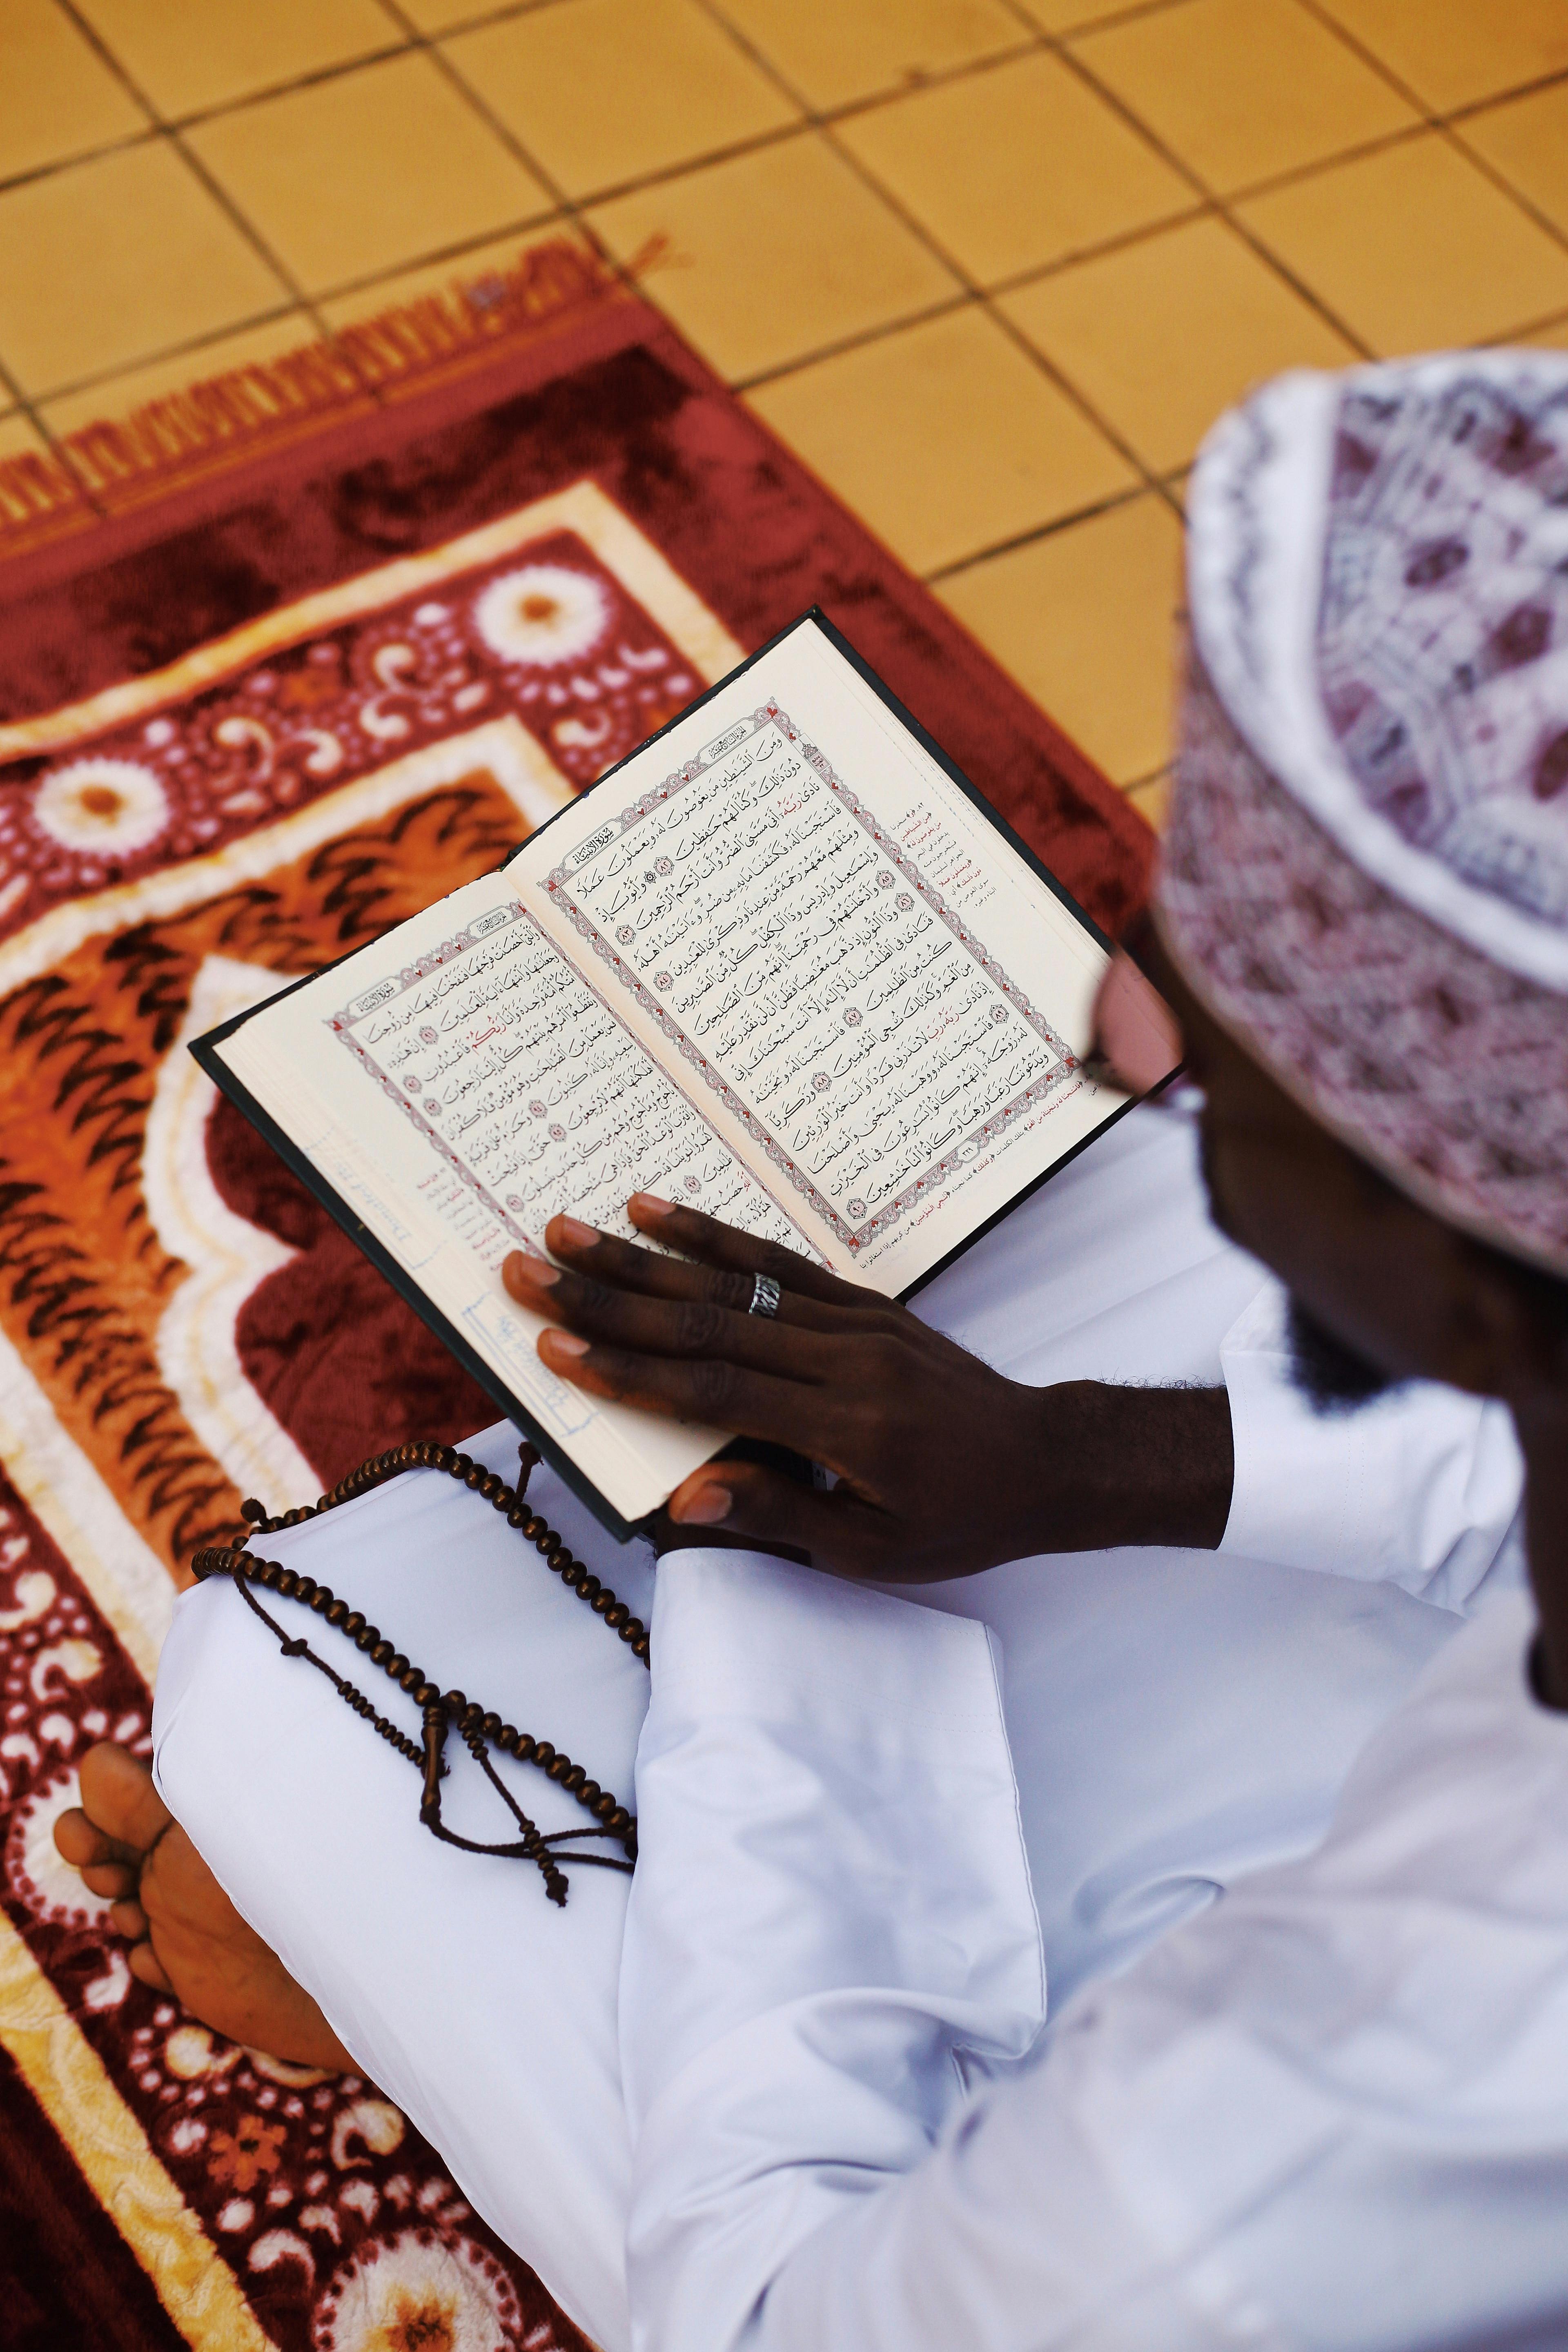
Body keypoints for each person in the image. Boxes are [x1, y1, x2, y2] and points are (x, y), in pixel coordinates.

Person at [58, 347, 1559, 2347]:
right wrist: (1076, 1468)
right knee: (1063, 1234)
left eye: (1210, 982)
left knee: (287, 1711)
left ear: (1465, 1258)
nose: (1124, 1009)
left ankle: (341, 1930)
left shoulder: (1319, 2116)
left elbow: (776, 2314)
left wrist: (763, 1587)